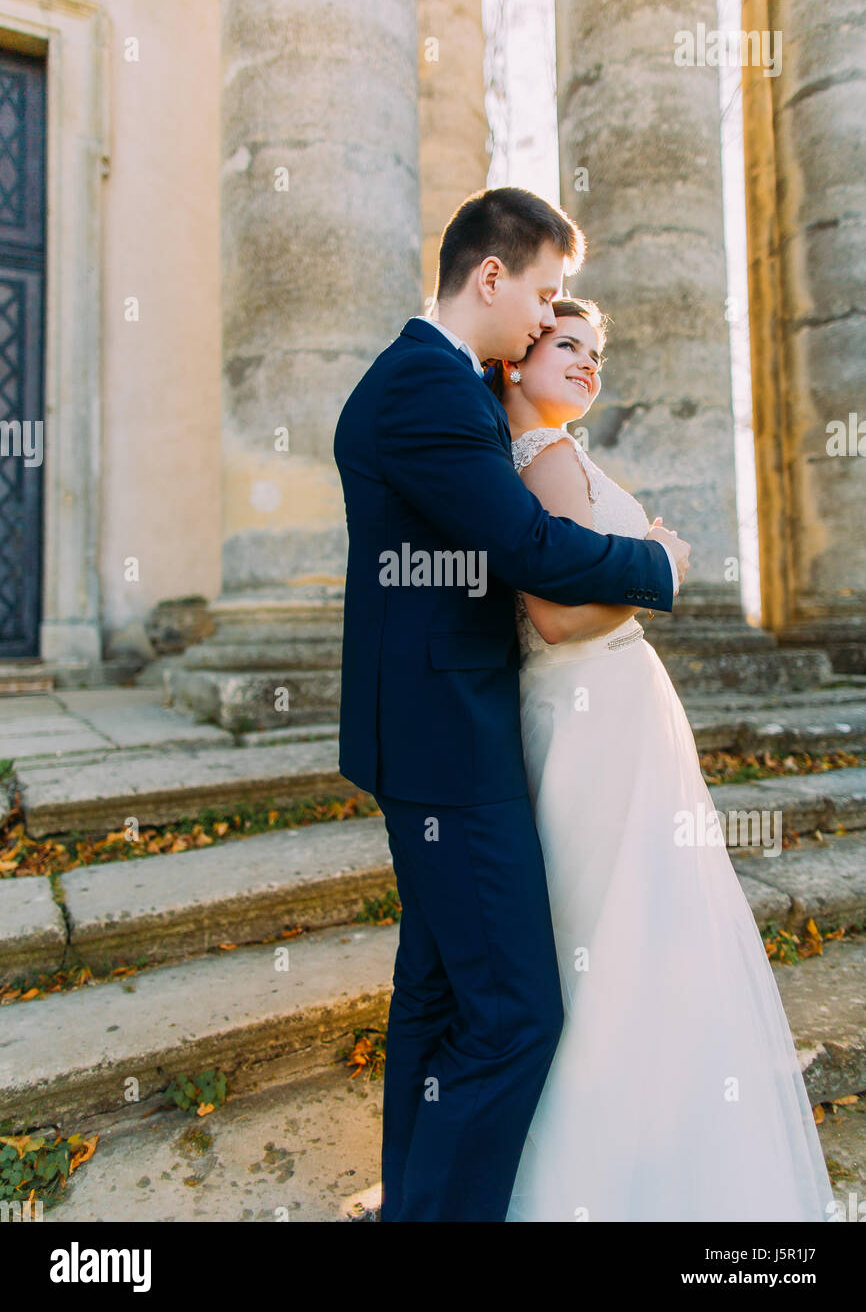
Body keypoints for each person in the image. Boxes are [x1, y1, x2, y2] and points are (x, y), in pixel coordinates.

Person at [333, 186, 689, 1221]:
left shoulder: (439, 383)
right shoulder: (425, 389)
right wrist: (656, 562)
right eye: (541, 294)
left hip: (438, 727)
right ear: (489, 276)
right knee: (516, 1016)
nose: (546, 320)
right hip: (450, 741)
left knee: (437, 997)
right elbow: (527, 550)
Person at [489, 297, 834, 1221]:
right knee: (615, 943)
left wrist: (639, 561)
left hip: (613, 717)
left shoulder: (560, 454)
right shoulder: (539, 458)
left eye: (597, 352)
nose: (590, 364)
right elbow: (557, 616)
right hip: (591, 716)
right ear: (517, 359)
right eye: (568, 345)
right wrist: (659, 566)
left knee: (632, 935)